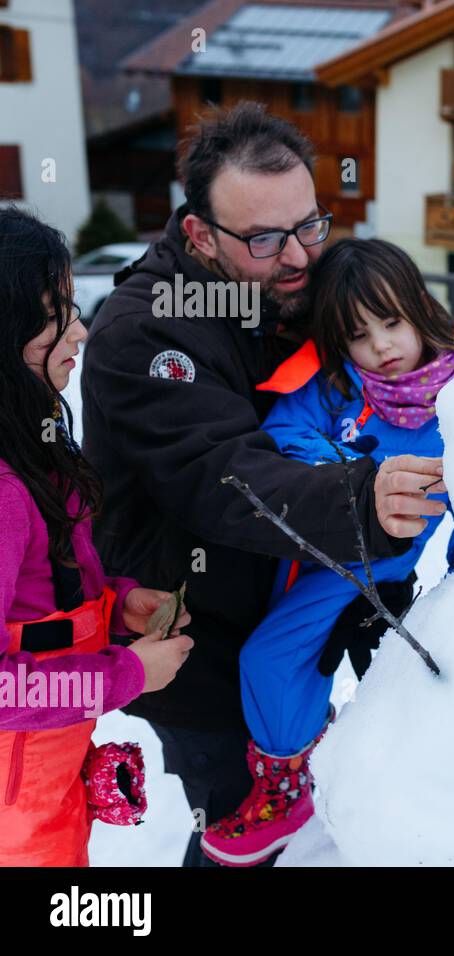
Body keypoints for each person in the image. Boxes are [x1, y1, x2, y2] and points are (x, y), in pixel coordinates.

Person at [81, 102, 446, 867]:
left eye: (310, 224)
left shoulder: (283, 286)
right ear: (198, 236)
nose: (298, 257)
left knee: (322, 793)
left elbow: (386, 350)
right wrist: (363, 500)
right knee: (241, 826)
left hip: (302, 594)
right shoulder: (144, 331)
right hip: (193, 635)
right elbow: (222, 474)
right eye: (263, 239)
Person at [200, 239, 454, 866]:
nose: (382, 346)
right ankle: (295, 766)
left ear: (419, 309)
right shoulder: (339, 388)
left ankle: (294, 784)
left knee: (273, 659)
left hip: (381, 569)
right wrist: (351, 475)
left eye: (392, 322)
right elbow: (283, 430)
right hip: (317, 549)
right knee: (282, 660)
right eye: (360, 334)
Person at [0, 206, 193, 866]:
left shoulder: (31, 440)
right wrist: (126, 675)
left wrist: (116, 604)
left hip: (41, 788)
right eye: (57, 313)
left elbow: (39, 605)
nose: (80, 330)